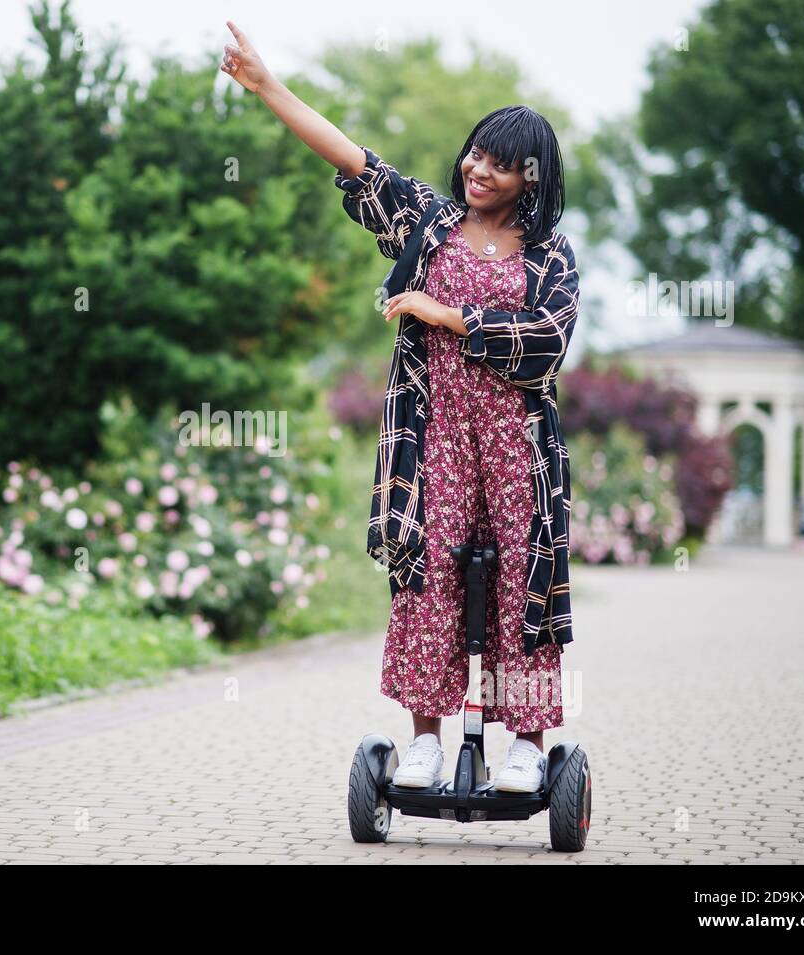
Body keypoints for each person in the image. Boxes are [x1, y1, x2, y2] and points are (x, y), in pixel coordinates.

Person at [221, 21, 579, 793]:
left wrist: (449, 314)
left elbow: (549, 341)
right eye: (475, 153)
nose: (478, 169)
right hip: (433, 437)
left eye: (500, 164)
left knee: (522, 587)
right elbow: (353, 158)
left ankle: (526, 745)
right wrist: (267, 85)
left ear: (531, 178)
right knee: (427, 582)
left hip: (518, 449)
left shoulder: (550, 255)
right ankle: (423, 741)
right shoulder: (428, 222)